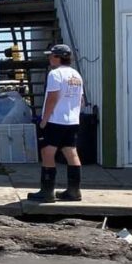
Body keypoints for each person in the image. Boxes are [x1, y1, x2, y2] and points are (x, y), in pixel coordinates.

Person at [28, 44, 84, 202]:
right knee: (70, 152)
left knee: (47, 152)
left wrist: (44, 119)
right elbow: (80, 99)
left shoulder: (55, 74)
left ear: (59, 57)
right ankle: (74, 191)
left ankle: (47, 192)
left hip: (56, 119)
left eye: (52, 55)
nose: (49, 58)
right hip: (72, 120)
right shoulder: (76, 75)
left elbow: (52, 98)